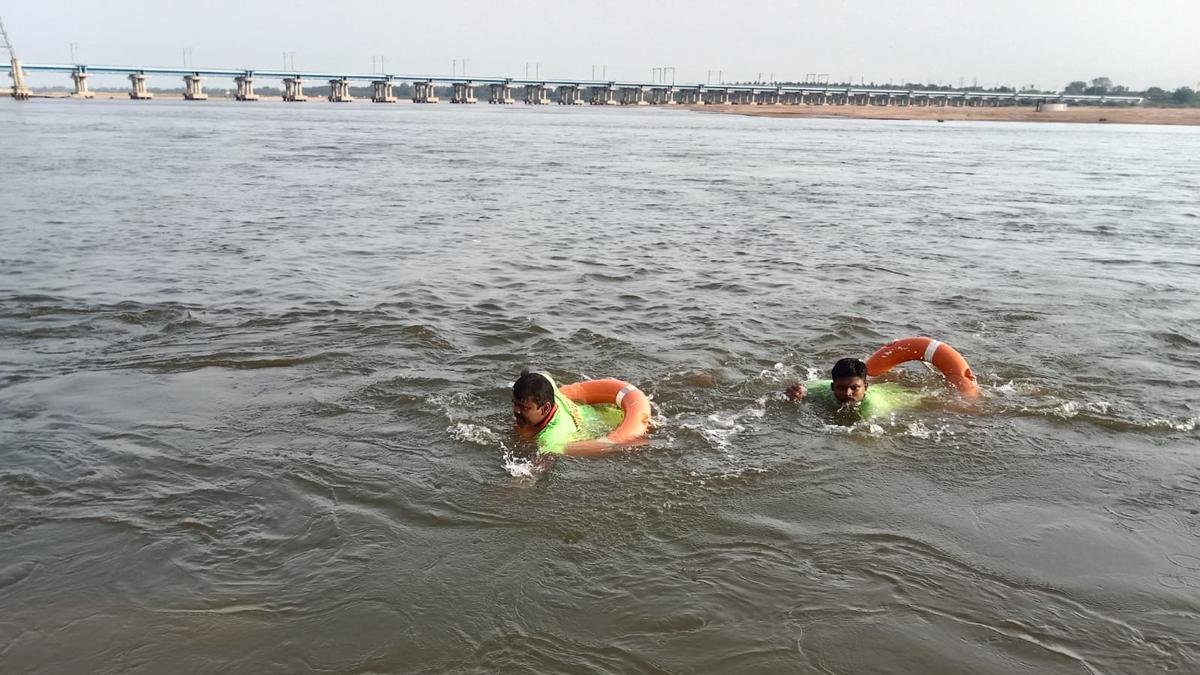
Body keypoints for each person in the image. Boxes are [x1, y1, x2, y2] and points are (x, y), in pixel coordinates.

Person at [512, 369, 626, 456]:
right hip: (599, 411)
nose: (516, 410)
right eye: (515, 404)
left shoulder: (552, 438)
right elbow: (544, 374)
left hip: (616, 421)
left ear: (545, 408)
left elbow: (537, 470)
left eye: (524, 408)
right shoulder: (550, 391)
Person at [786, 357, 917, 421]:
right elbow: (802, 386)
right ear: (832, 387)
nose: (848, 393)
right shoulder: (824, 388)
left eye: (854, 388)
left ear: (865, 387)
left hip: (901, 395)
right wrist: (798, 391)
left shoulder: (872, 407)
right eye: (841, 387)